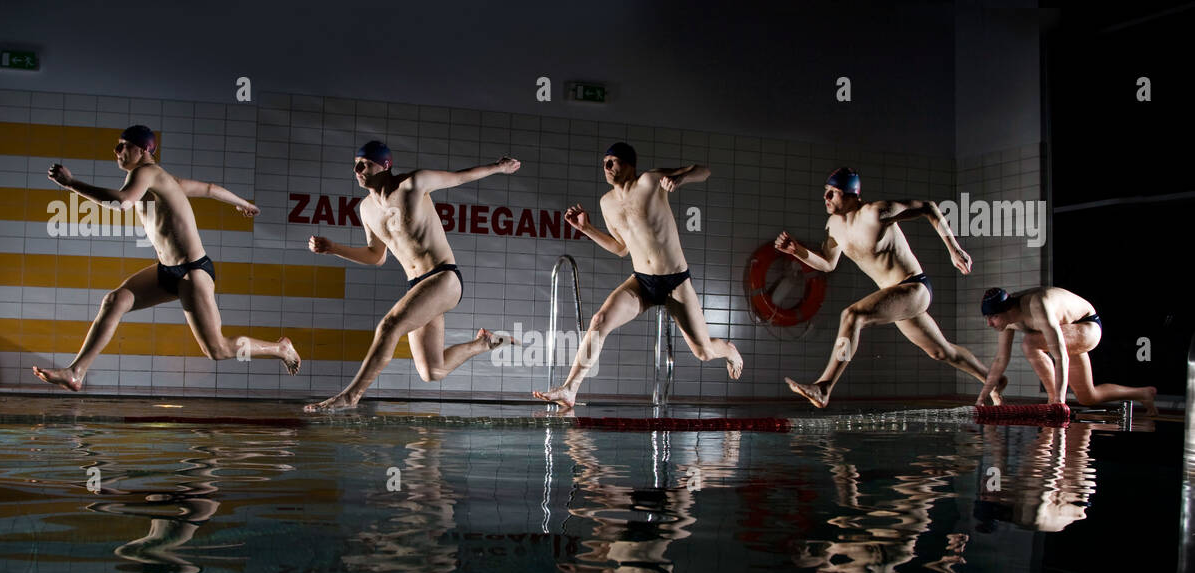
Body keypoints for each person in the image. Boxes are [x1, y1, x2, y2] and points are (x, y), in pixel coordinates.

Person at [33, 125, 299, 390]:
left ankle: (280, 348)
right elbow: (208, 188)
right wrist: (241, 202)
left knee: (217, 350)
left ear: (143, 149)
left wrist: (71, 184)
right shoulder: (163, 179)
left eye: (122, 145)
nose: (116, 152)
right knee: (115, 301)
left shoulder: (145, 172)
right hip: (168, 270)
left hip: (193, 273)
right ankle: (75, 373)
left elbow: (123, 202)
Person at [304, 141, 520, 412]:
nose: (357, 169)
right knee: (432, 371)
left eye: (365, 163)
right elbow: (376, 256)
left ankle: (350, 396)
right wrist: (333, 249)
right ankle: (484, 343)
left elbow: (460, 177)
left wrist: (498, 167)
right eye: (356, 163)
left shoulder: (413, 183)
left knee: (389, 326)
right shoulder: (366, 210)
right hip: (418, 286)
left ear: (385, 165)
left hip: (444, 277)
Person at [532, 143, 742, 409]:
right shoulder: (606, 203)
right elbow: (620, 248)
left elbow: (704, 171)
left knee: (704, 352)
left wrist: (680, 178)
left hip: (674, 280)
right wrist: (586, 229)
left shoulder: (650, 181)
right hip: (642, 281)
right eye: (604, 162)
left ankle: (729, 350)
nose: (607, 167)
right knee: (600, 321)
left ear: (630, 164)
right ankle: (570, 390)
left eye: (613, 161)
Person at [776, 167, 1002, 408]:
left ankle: (824, 387)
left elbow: (929, 207)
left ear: (851, 194)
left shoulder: (876, 212)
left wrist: (954, 249)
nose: (826, 198)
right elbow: (828, 264)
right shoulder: (834, 225)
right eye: (825, 192)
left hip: (914, 287)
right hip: (894, 296)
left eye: (833, 193)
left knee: (852, 316)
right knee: (942, 352)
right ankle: (994, 381)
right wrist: (797, 251)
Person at [975, 286, 1157, 414]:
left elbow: (1060, 356)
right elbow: (1000, 360)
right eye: (987, 318)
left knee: (1030, 342)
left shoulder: (1037, 305)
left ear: (1007, 310)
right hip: (1069, 333)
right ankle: (1143, 394)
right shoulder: (1008, 321)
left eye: (994, 317)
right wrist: (982, 398)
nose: (989, 324)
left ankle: (1052, 400)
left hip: (1087, 326)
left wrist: (1058, 402)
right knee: (1087, 397)